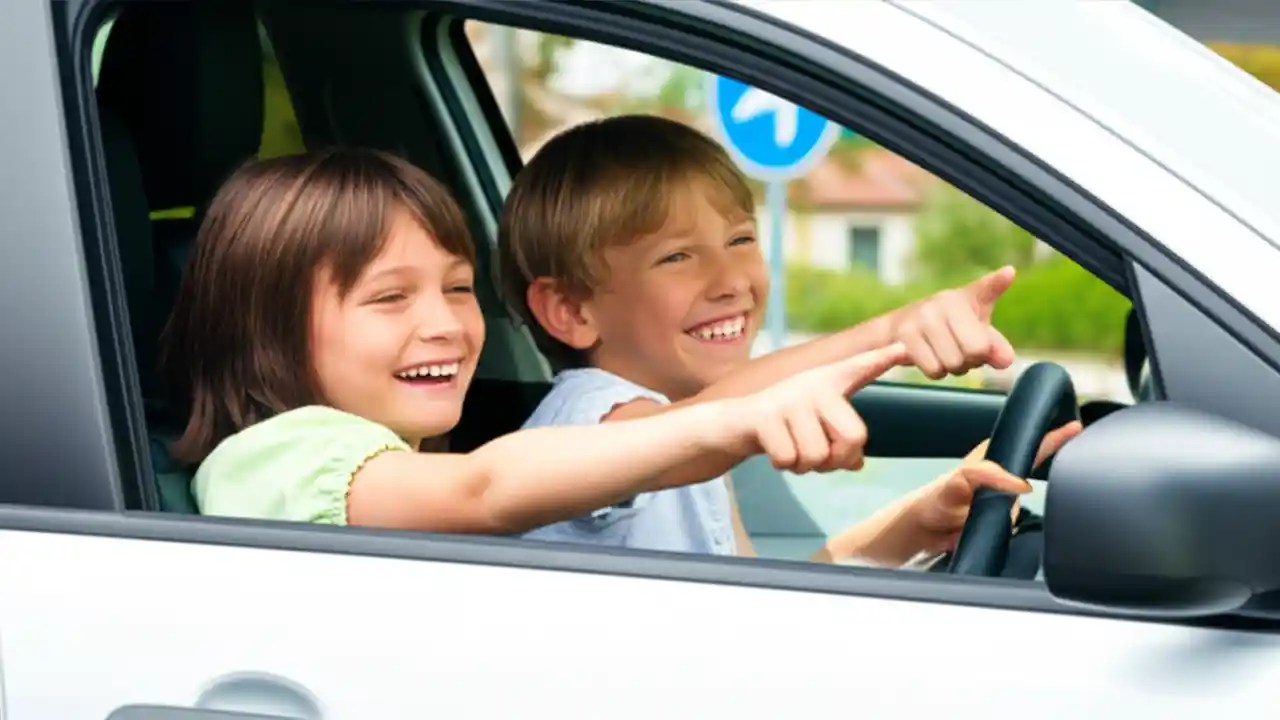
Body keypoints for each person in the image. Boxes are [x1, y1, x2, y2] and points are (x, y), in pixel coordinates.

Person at [160, 146, 910, 534]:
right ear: (269, 326)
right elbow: (484, 490)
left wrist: (888, 342)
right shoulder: (275, 457)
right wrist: (731, 419)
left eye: (458, 288)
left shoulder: (397, 458)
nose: (446, 324)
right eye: (390, 297)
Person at [498, 115, 1081, 563]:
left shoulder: (686, 440)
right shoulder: (593, 421)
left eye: (740, 240)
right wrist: (889, 332)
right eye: (676, 256)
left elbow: (754, 605)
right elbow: (718, 415)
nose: (731, 281)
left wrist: (914, 525)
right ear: (571, 310)